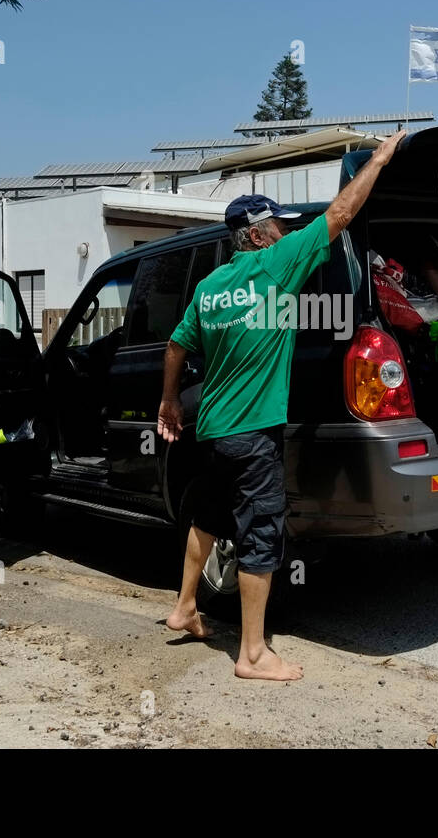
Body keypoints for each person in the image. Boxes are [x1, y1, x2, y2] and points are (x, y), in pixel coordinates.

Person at [157, 130, 405, 681]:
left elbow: (176, 346)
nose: (287, 232)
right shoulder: (275, 265)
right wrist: (380, 160)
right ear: (260, 233)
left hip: (215, 429)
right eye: (280, 226)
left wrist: (170, 401)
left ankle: (184, 606)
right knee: (261, 532)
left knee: (209, 514)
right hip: (253, 433)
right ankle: (251, 654)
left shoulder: (211, 286)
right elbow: (341, 213)